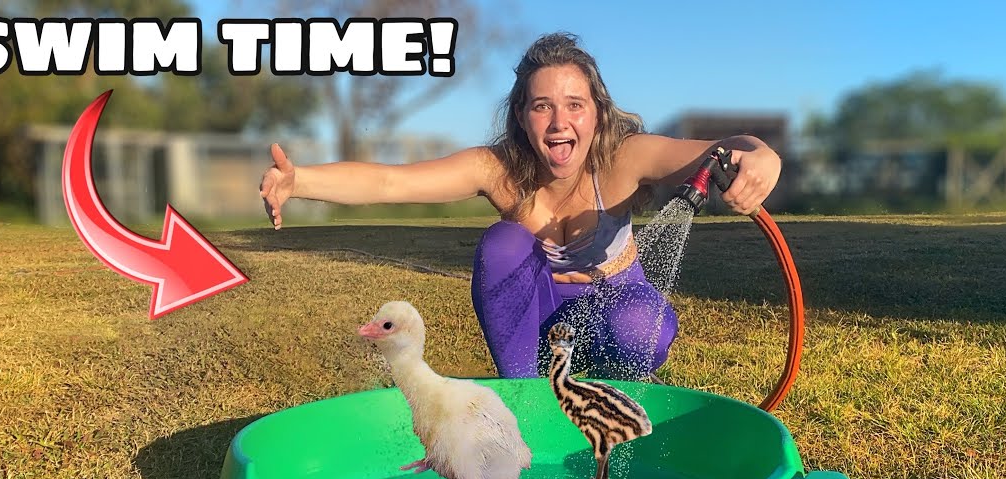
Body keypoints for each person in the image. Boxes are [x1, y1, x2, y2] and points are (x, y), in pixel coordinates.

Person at [259, 32, 781, 381]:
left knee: (640, 327)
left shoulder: (623, 159)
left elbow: (727, 148)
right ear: (522, 116)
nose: (559, 121)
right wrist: (299, 180)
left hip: (615, 308)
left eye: (574, 105)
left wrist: (762, 159)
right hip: (535, 315)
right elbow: (390, 183)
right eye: (542, 106)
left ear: (596, 114)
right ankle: (526, 399)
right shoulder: (499, 169)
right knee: (504, 242)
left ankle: (610, 413)